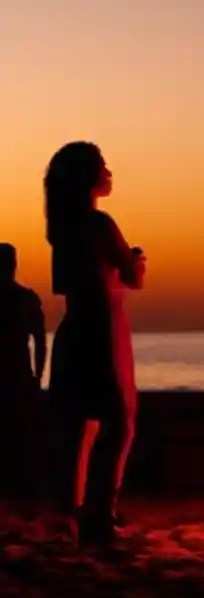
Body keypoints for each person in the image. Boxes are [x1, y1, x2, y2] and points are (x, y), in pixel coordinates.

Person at [44, 143, 145, 547]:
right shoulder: (100, 224)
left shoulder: (62, 231)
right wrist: (136, 263)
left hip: (75, 330)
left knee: (79, 425)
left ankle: (76, 506)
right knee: (120, 422)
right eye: (103, 165)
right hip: (104, 330)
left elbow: (70, 285)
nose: (109, 171)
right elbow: (130, 277)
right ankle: (99, 512)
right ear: (88, 176)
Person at [0, 244, 47, 497]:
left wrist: (37, 378)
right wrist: (37, 378)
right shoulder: (26, 299)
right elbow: (40, 341)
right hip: (18, 376)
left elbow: (40, 341)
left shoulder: (26, 300)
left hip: (18, 376)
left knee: (19, 437)